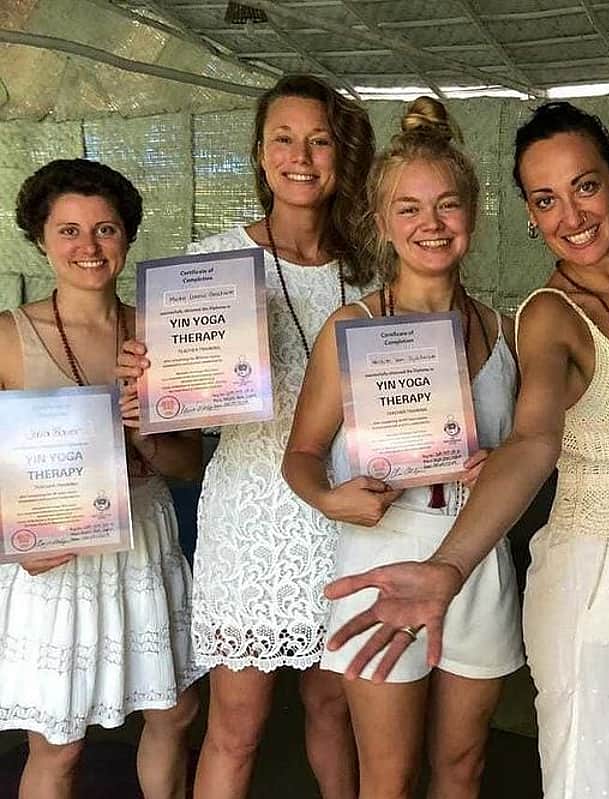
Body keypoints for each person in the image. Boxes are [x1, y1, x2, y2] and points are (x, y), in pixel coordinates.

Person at [323, 101, 609, 797]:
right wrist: (449, 565)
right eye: (546, 200)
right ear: (529, 215)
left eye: (584, 185)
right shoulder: (547, 316)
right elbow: (534, 437)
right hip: (594, 588)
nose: (570, 215)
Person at [118, 74, 375, 799]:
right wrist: (150, 379)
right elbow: (180, 422)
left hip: (343, 507)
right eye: (284, 139)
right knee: (237, 722)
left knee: (334, 704)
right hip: (252, 516)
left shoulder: (369, 268)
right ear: (260, 155)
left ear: (338, 155)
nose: (302, 155)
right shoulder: (210, 265)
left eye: (319, 139)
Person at [281, 96, 523, 798]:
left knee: (462, 766)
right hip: (383, 552)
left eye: (447, 206)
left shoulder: (506, 331)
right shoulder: (349, 327)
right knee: (387, 774)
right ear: (382, 223)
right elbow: (300, 454)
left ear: (472, 217)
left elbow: (537, 448)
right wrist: (330, 496)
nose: (432, 225)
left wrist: (496, 465)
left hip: (477, 555)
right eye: (410, 209)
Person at [0, 158, 202, 799]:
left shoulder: (159, 332)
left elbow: (189, 465)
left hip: (142, 539)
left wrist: (147, 431)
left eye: (106, 230)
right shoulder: (8, 336)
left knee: (174, 714)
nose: (88, 246)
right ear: (40, 237)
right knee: (58, 742)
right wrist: (15, 538)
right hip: (53, 559)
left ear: (128, 237)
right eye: (69, 230)